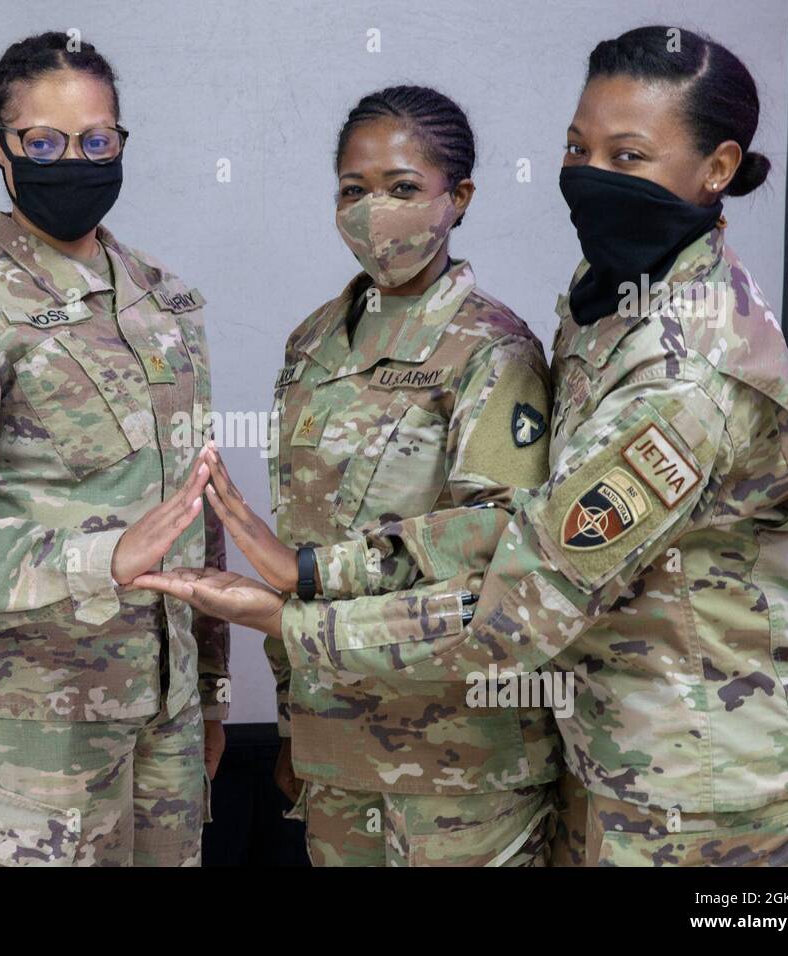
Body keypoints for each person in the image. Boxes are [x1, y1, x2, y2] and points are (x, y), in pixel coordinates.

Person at [141, 27, 788, 867]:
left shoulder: (686, 376)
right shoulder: (614, 304)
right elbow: (533, 523)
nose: (592, 175)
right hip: (627, 734)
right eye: (577, 146)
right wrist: (316, 571)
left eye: (628, 155)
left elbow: (525, 601)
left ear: (716, 168)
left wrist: (297, 621)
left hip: (715, 767)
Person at [142, 86, 563, 866]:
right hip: (336, 749)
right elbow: (294, 533)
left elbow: (500, 537)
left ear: (458, 197)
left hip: (458, 758)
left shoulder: (492, 351)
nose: (376, 210)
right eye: (354, 189)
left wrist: (309, 569)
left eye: (404, 188)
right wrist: (298, 727)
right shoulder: (314, 346)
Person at [0, 32, 229, 867]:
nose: (75, 161)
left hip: (161, 727)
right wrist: (101, 557)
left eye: (98, 140)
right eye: (44, 143)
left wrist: (210, 695)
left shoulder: (164, 301)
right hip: (21, 750)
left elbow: (200, 516)